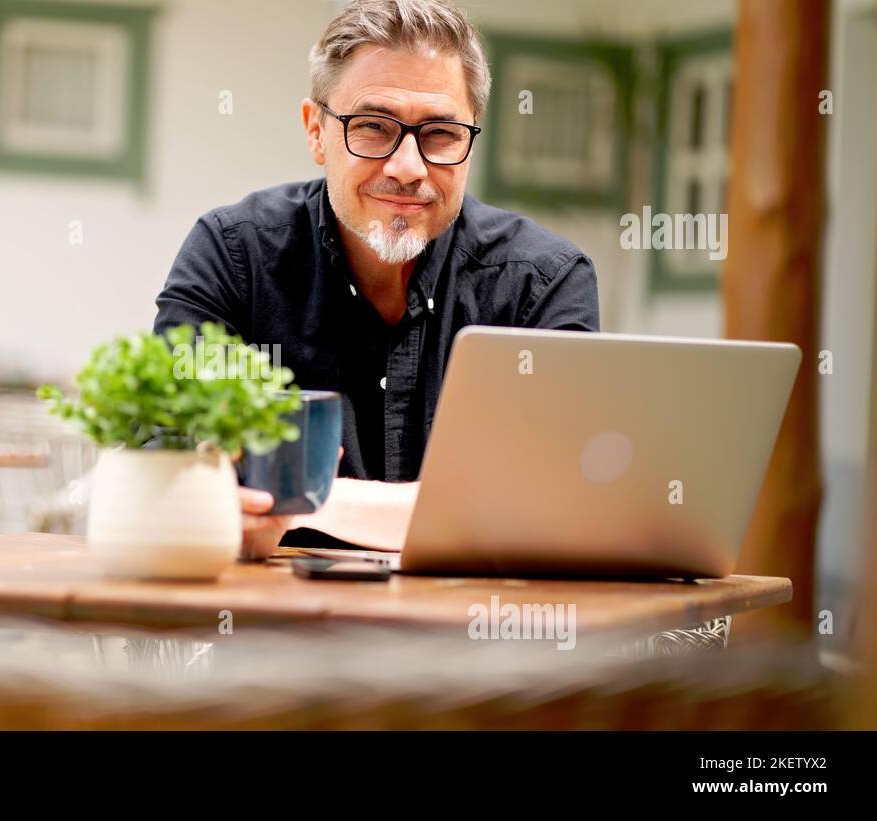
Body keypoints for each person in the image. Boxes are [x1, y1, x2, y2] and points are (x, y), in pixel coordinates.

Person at [153, 0, 599, 558]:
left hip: (473, 631)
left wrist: (303, 499)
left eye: (439, 133)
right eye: (372, 127)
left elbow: (552, 502)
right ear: (316, 132)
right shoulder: (233, 254)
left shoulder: (543, 282)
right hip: (271, 630)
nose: (408, 167)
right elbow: (168, 463)